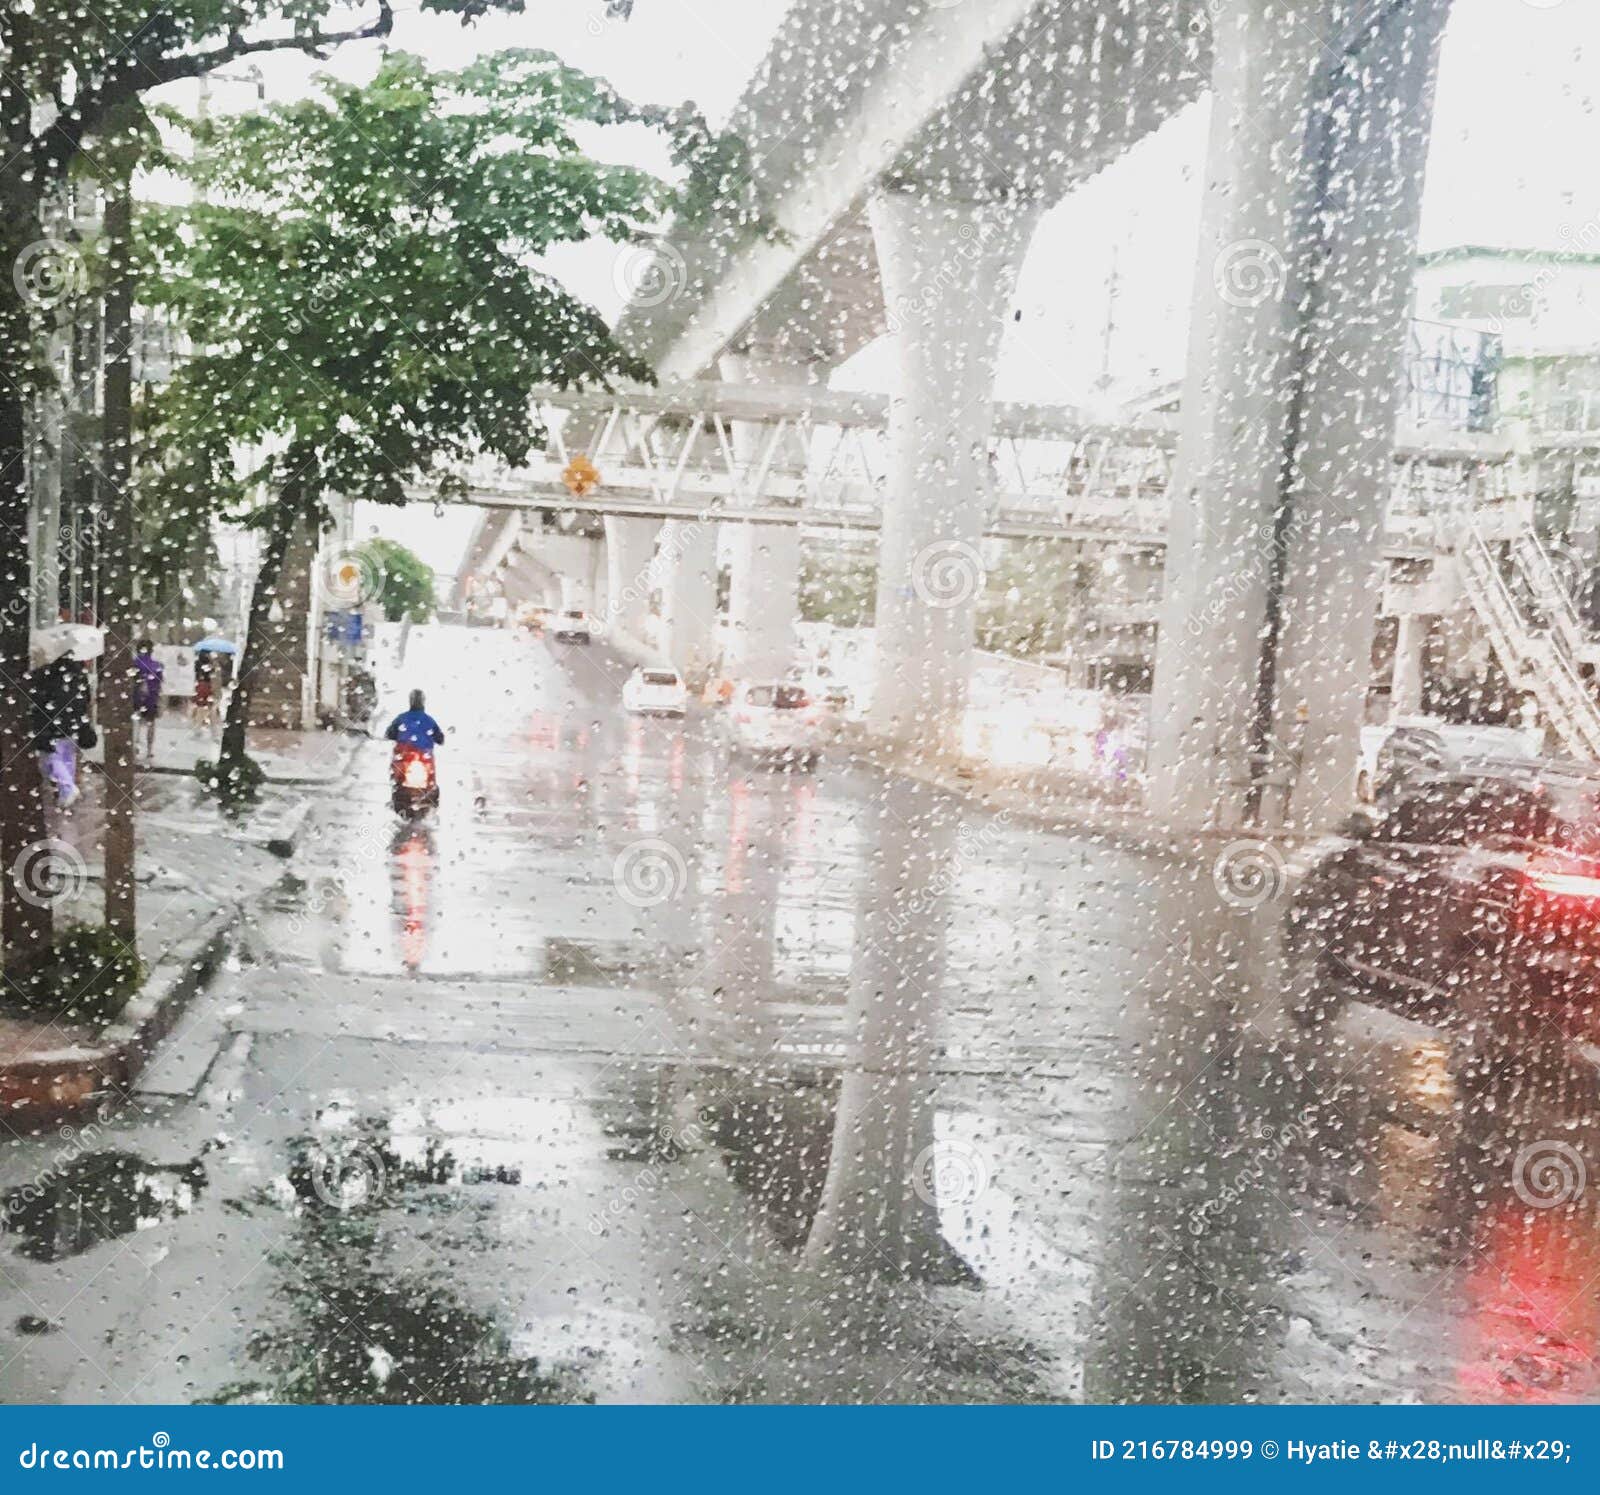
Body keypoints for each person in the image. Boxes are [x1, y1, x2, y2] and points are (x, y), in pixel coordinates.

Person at [29, 655, 95, 810]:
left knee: (52, 759)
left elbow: (38, 700)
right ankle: (66, 794)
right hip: (73, 722)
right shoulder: (79, 674)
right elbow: (86, 699)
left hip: (53, 723)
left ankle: (68, 787)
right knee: (67, 758)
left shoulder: (45, 674)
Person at [384, 690, 445, 754]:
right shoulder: (429, 720)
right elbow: (440, 740)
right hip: (424, 757)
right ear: (423, 702)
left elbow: (389, 734)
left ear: (411, 702)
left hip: (404, 756)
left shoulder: (401, 718)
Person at [134, 638, 164, 762]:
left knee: (135, 723)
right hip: (151, 697)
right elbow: (160, 683)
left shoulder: (134, 663)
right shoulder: (157, 666)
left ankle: (135, 746)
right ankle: (149, 750)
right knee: (150, 723)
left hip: (136, 696)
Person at [191, 649, 218, 733]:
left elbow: (195, 673)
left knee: (200, 708)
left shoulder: (197, 663)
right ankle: (213, 729)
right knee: (210, 708)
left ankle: (197, 729)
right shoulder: (210, 663)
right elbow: (213, 674)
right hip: (209, 686)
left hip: (200, 686)